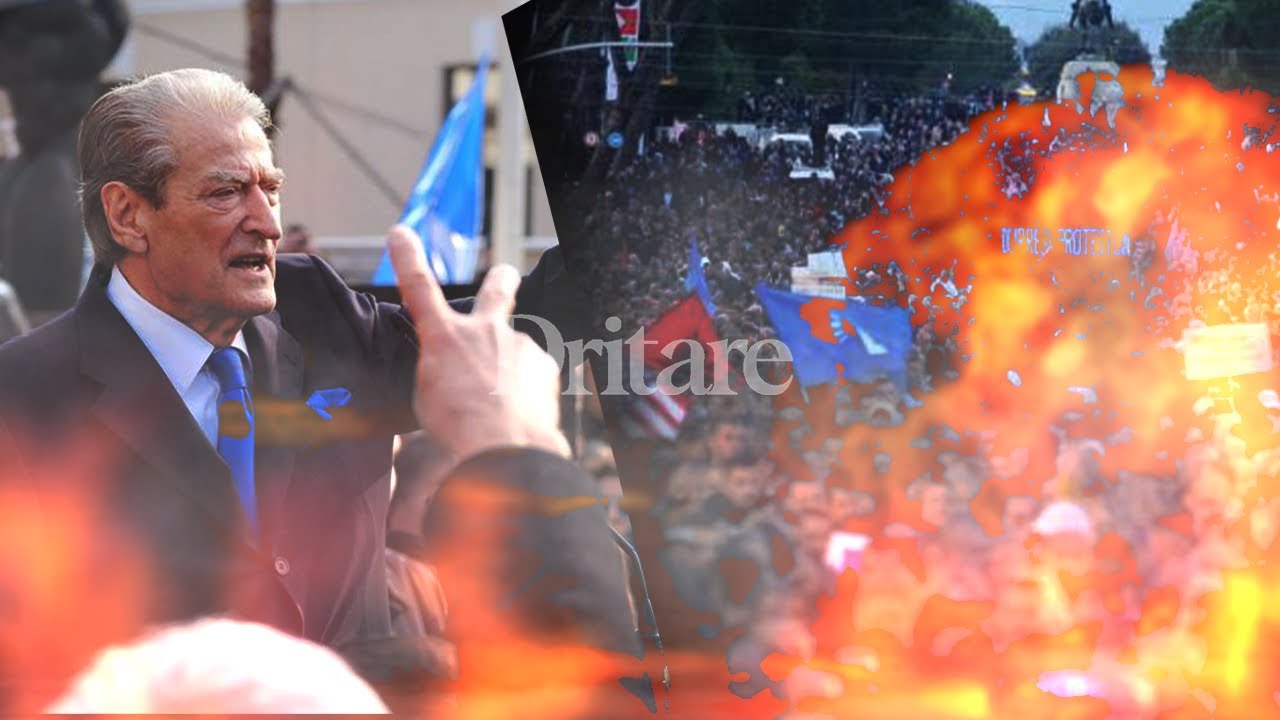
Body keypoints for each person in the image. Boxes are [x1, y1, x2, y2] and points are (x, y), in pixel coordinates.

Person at [0, 68, 635, 709]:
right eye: (227, 192)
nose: (267, 223)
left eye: (270, 189)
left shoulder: (316, 308)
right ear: (128, 215)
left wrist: (635, 211)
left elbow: (511, 329)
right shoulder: (21, 399)